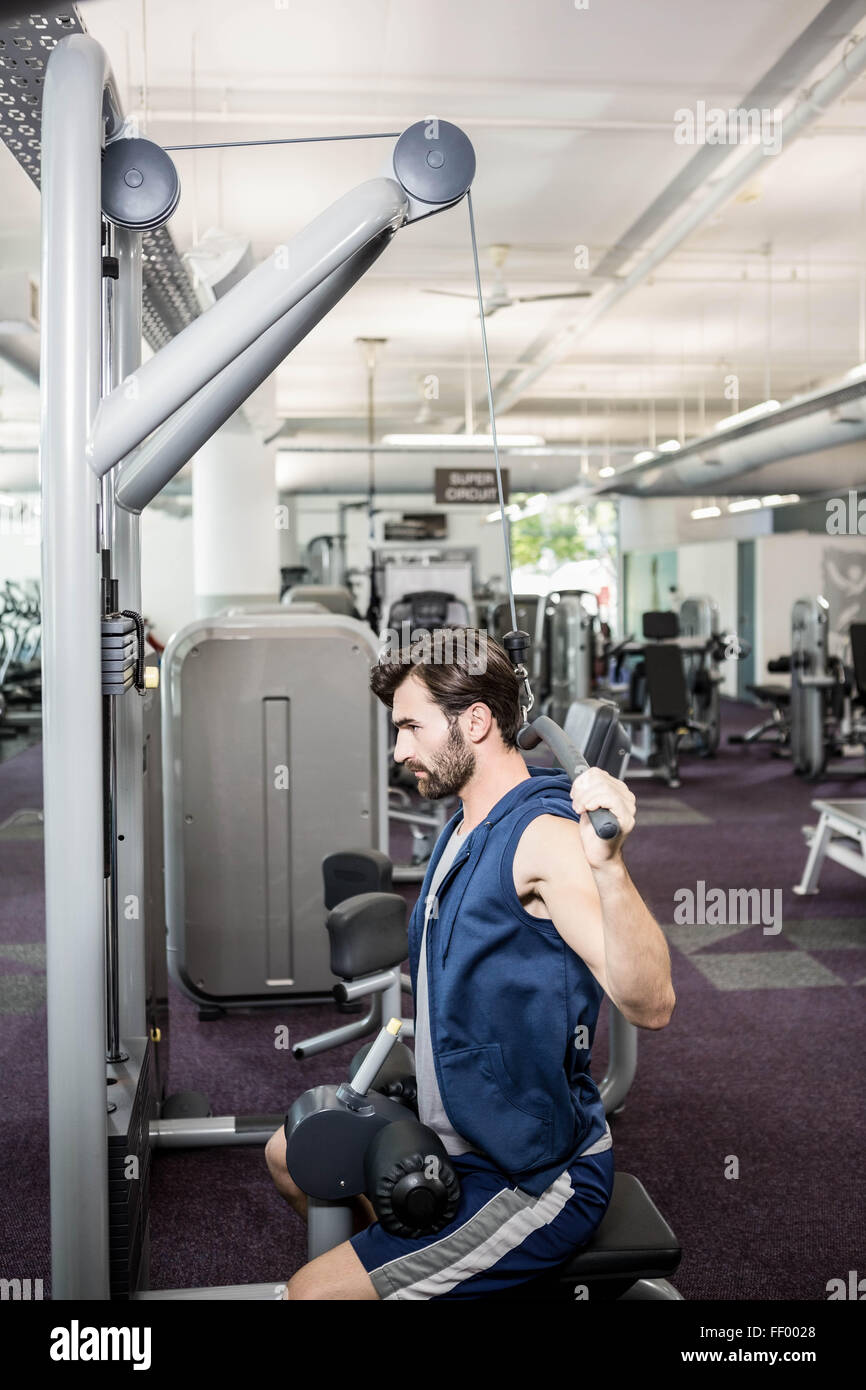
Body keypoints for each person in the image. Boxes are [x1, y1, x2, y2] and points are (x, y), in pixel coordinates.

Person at [265, 628, 675, 1300]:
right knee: (288, 1156)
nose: (400, 751)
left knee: (310, 1296)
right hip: (457, 1133)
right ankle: (419, 1275)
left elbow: (653, 1002)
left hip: (532, 1177)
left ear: (476, 721)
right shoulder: (464, 821)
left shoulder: (544, 841)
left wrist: (609, 867)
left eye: (410, 728)